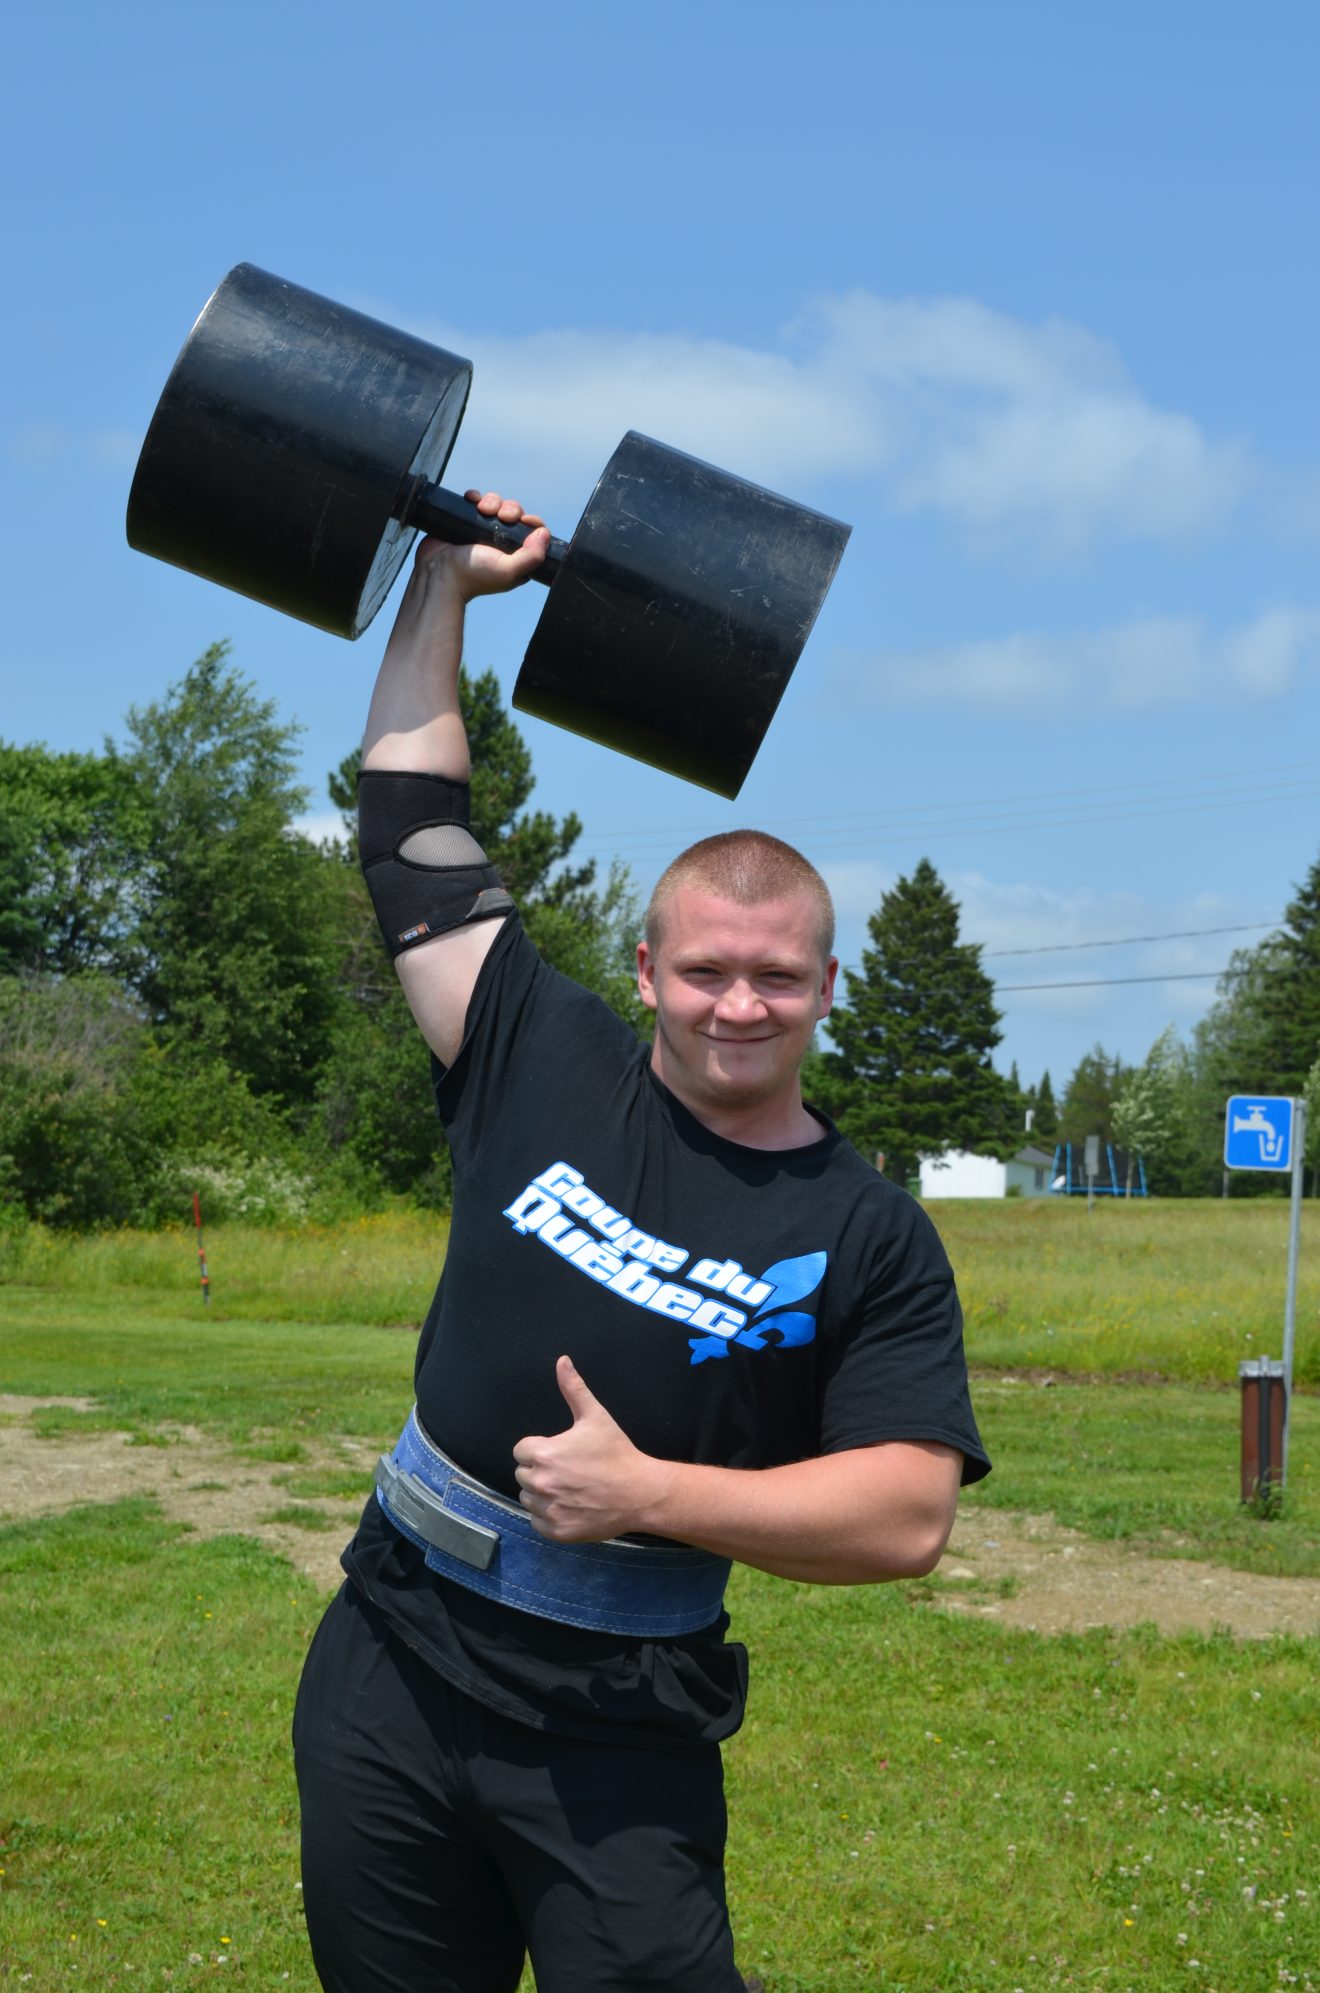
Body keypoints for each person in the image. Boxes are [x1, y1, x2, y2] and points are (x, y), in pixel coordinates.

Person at [292, 491, 991, 1993]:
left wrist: (651, 1492)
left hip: (620, 1720)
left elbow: (907, 1514)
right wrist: (445, 589)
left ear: (824, 988)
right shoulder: (538, 1047)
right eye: (708, 971)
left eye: (776, 979)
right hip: (393, 1662)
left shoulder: (868, 1234)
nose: (739, 1005)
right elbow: (411, 823)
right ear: (647, 967)